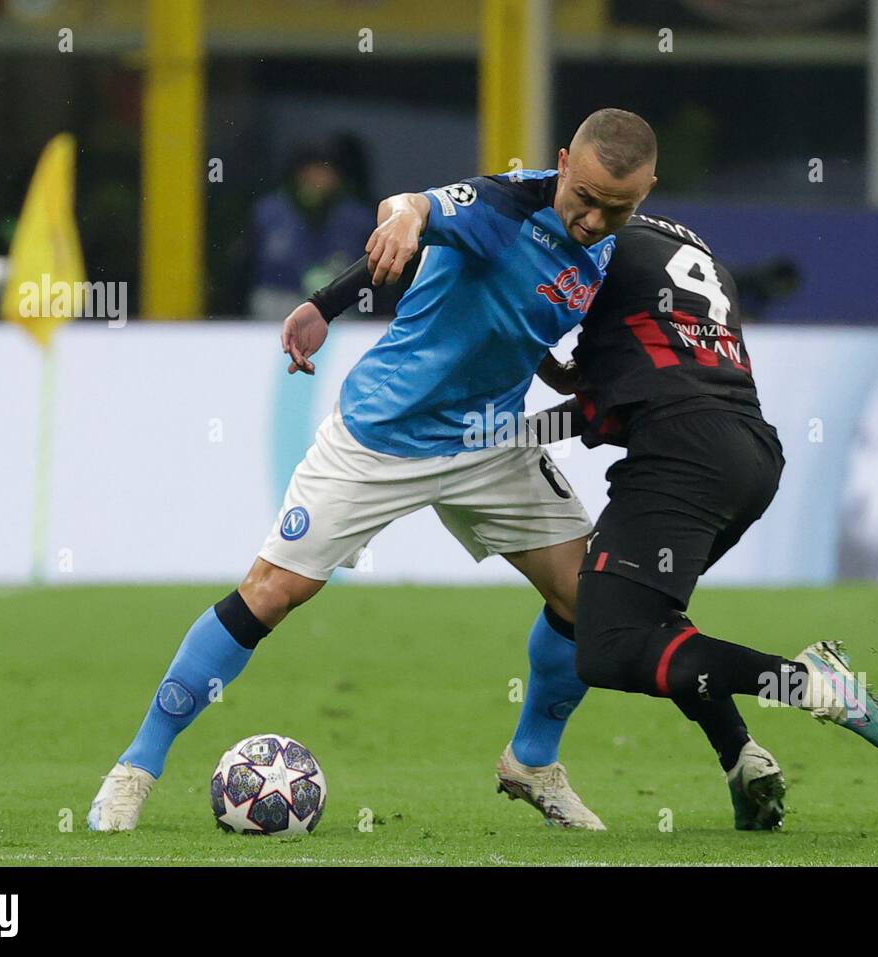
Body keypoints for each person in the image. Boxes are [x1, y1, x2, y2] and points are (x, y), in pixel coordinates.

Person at [88, 108, 658, 832]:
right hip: (383, 434)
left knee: (589, 598)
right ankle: (136, 766)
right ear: (562, 165)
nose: (593, 221)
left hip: (489, 440)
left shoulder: (608, 244)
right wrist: (393, 223)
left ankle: (533, 762)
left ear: (645, 193)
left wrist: (563, 372)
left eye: (619, 209)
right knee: (272, 591)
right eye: (585, 199)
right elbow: (417, 210)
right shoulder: (506, 204)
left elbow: (519, 310)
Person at [534, 211, 878, 829]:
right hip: (750, 455)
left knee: (608, 647)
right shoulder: (687, 255)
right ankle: (741, 758)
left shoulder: (593, 244)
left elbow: (579, 376)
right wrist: (521, 432)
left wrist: (503, 424)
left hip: (686, 455)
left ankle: (805, 682)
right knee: (651, 622)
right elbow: (622, 400)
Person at [247, 142, 372, 322]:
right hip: (279, 297)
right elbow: (253, 265)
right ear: (300, 173)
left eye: (326, 171)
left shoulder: (357, 216)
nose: (319, 178)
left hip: (336, 298)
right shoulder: (269, 212)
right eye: (313, 170)